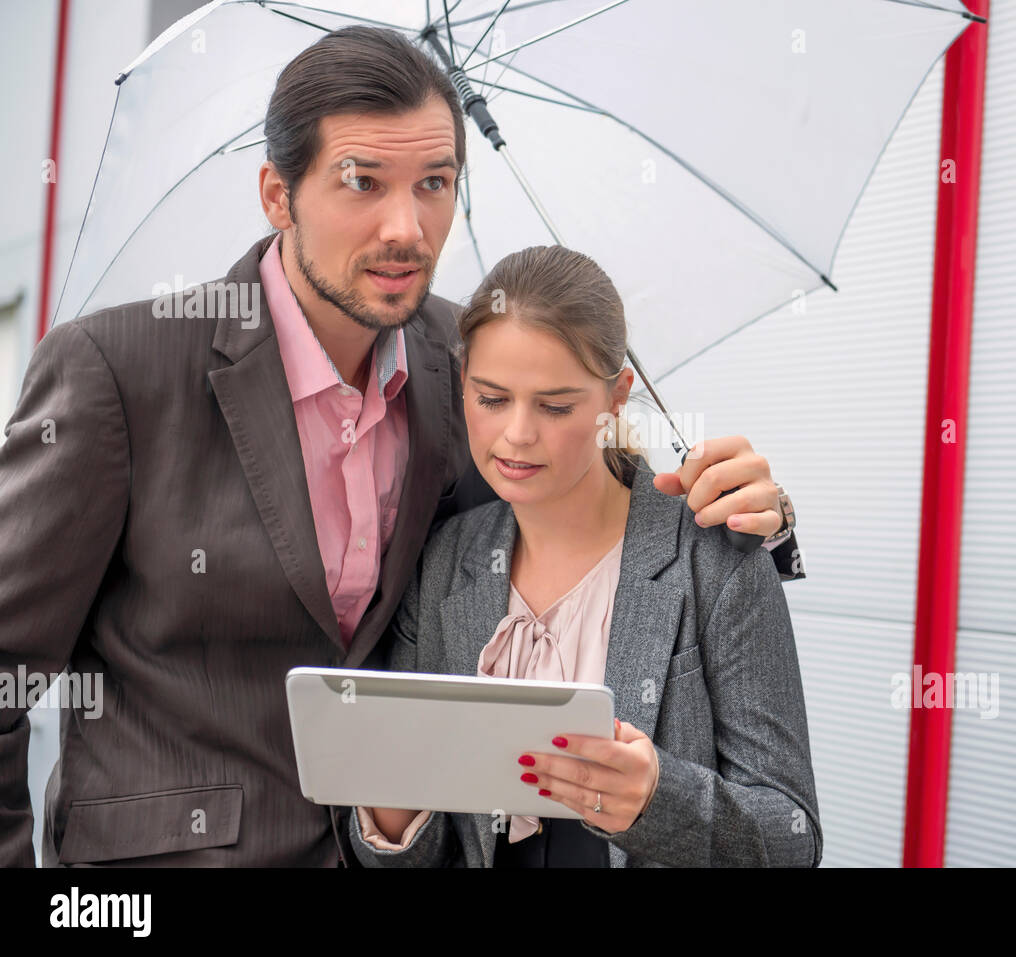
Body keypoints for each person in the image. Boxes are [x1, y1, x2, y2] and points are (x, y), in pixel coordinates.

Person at [0, 26, 804, 867]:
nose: (408, 227)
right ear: (278, 194)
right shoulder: (118, 369)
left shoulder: (472, 360)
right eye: (362, 182)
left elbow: (581, 507)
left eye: (434, 183)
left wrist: (758, 515)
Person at [351, 246, 821, 867]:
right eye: (492, 399)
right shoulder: (443, 563)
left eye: (555, 406)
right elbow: (423, 850)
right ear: (462, 382)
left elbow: (792, 837)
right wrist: (392, 812)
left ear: (618, 396)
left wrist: (659, 801)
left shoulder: (717, 561)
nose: (518, 434)